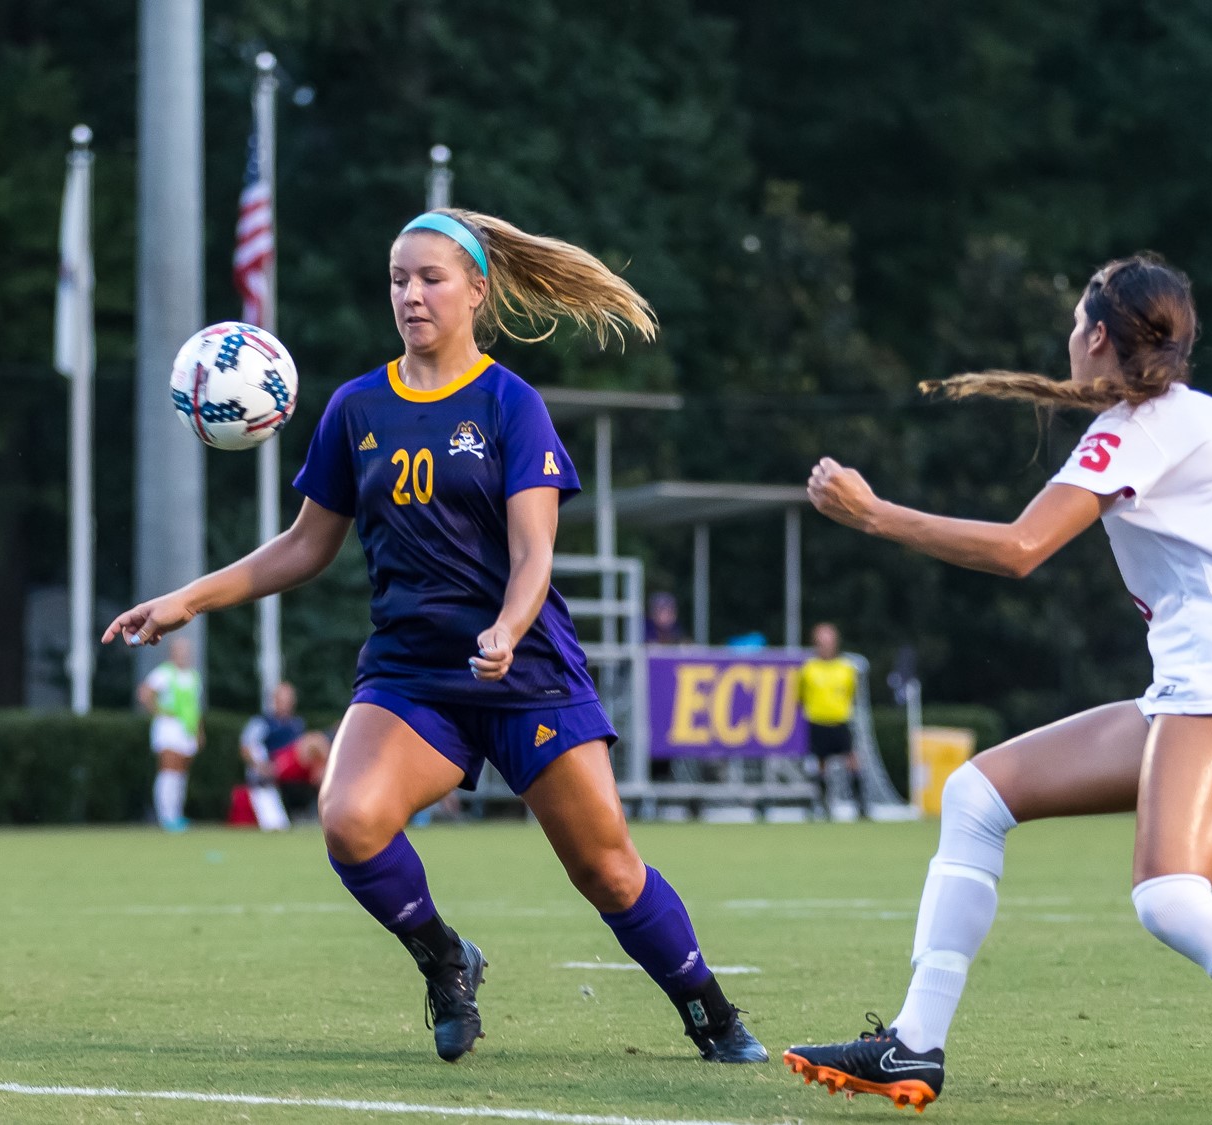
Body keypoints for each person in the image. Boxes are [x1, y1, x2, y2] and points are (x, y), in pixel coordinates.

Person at [784, 255, 1212, 1125]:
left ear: (1096, 335)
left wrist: (874, 514)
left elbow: (1021, 548)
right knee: (978, 794)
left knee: (1170, 897)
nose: (1068, 337)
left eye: (1074, 320)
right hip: (1210, 680)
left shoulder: (1137, 426)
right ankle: (915, 1041)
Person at [105, 209, 764, 1064]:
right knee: (348, 821)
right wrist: (187, 600)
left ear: (477, 291)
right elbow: (307, 545)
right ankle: (446, 960)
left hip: (524, 670)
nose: (411, 295)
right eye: (398, 280)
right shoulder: (356, 407)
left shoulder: (508, 402)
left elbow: (534, 554)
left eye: (430, 278)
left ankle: (709, 1011)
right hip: (413, 672)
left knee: (606, 869)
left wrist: (507, 625)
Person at [138, 637, 202, 832]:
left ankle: (177, 814)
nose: (183, 655)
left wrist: (199, 730)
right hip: (169, 727)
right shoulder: (164, 673)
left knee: (181, 774)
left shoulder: (193, 676)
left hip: (186, 729)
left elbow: (194, 706)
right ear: (172, 654)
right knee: (168, 771)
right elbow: (144, 693)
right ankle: (166, 816)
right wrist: (159, 711)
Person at [798, 622, 858, 816]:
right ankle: (823, 805)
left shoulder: (845, 668)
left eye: (828, 642)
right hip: (817, 722)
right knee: (820, 765)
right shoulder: (808, 668)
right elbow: (800, 696)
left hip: (840, 722)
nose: (825, 646)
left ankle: (860, 803)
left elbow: (850, 693)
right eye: (821, 642)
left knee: (852, 760)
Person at [239, 681, 308, 831]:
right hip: (270, 770)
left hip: (293, 769)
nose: (285, 704)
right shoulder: (261, 723)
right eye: (281, 699)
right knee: (257, 750)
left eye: (288, 700)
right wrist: (262, 766)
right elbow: (246, 747)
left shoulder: (297, 724)